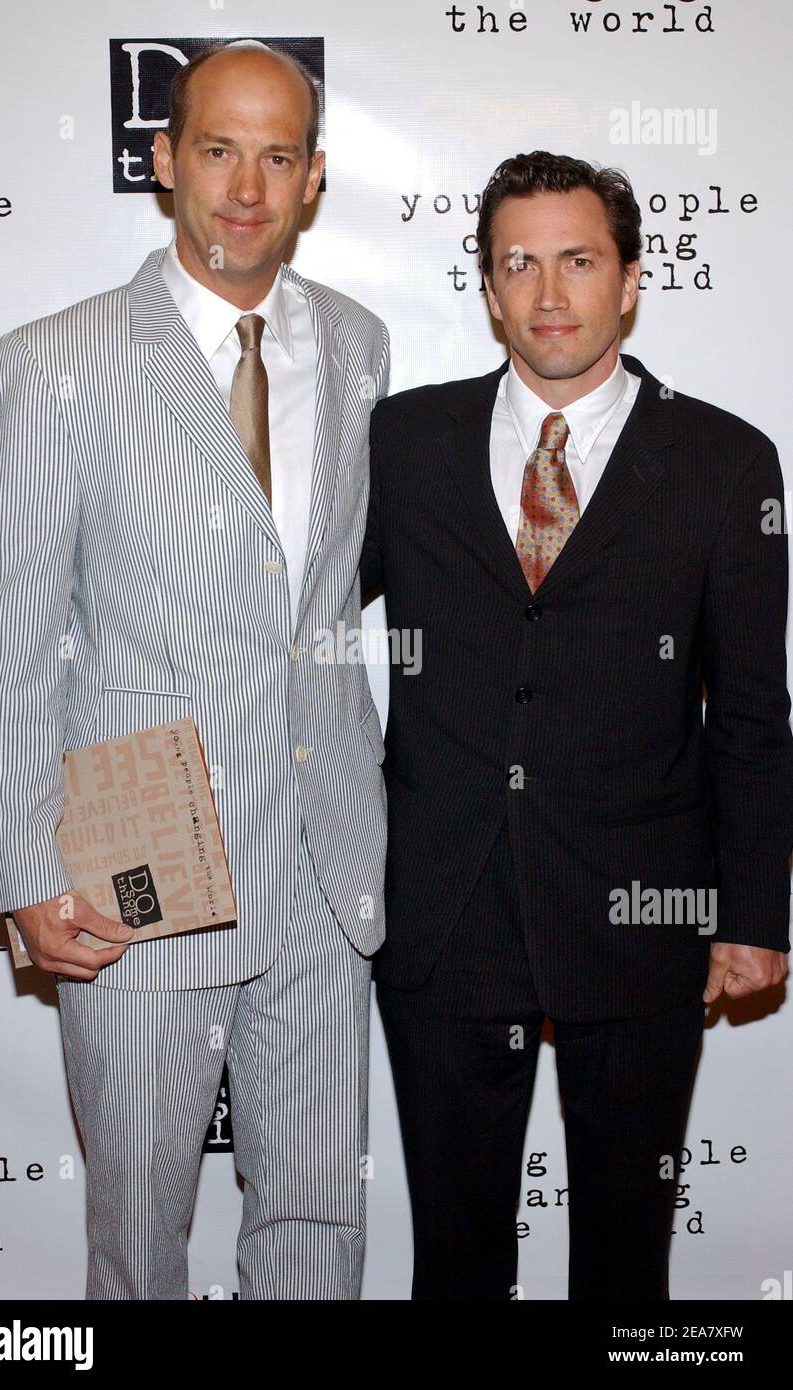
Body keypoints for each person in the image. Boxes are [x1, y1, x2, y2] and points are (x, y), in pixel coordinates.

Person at [0, 40, 389, 1301]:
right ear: (162, 162)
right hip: (135, 856)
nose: (245, 186)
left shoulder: (358, 348)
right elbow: (8, 645)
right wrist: (27, 871)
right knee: (139, 1238)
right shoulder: (55, 363)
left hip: (322, 858)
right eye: (217, 149)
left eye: (276, 155)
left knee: (317, 1223)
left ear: (312, 179)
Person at [361, 150, 792, 1300]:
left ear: (629, 280)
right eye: (519, 264)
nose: (548, 294)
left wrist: (751, 912)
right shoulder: (400, 447)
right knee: (453, 1264)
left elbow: (751, 715)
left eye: (577, 261)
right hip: (441, 910)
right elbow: (279, 623)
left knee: (623, 1265)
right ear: (488, 288)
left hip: (641, 917)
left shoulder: (724, 461)